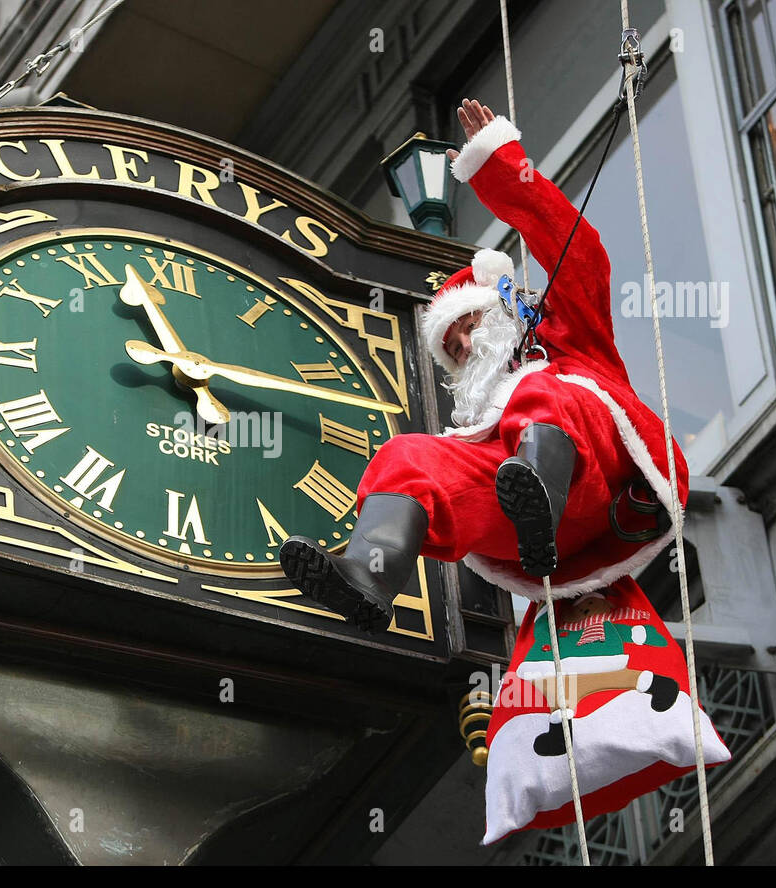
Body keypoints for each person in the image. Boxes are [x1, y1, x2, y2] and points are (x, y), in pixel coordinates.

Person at [281, 99, 688, 633]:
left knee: (543, 393)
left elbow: (580, 252)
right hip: (529, 531)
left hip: (609, 489)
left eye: (470, 325)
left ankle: (542, 489)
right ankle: (371, 576)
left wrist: (498, 163)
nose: (467, 346)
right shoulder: (486, 430)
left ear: (503, 310)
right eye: (453, 345)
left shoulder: (565, 341)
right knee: (408, 454)